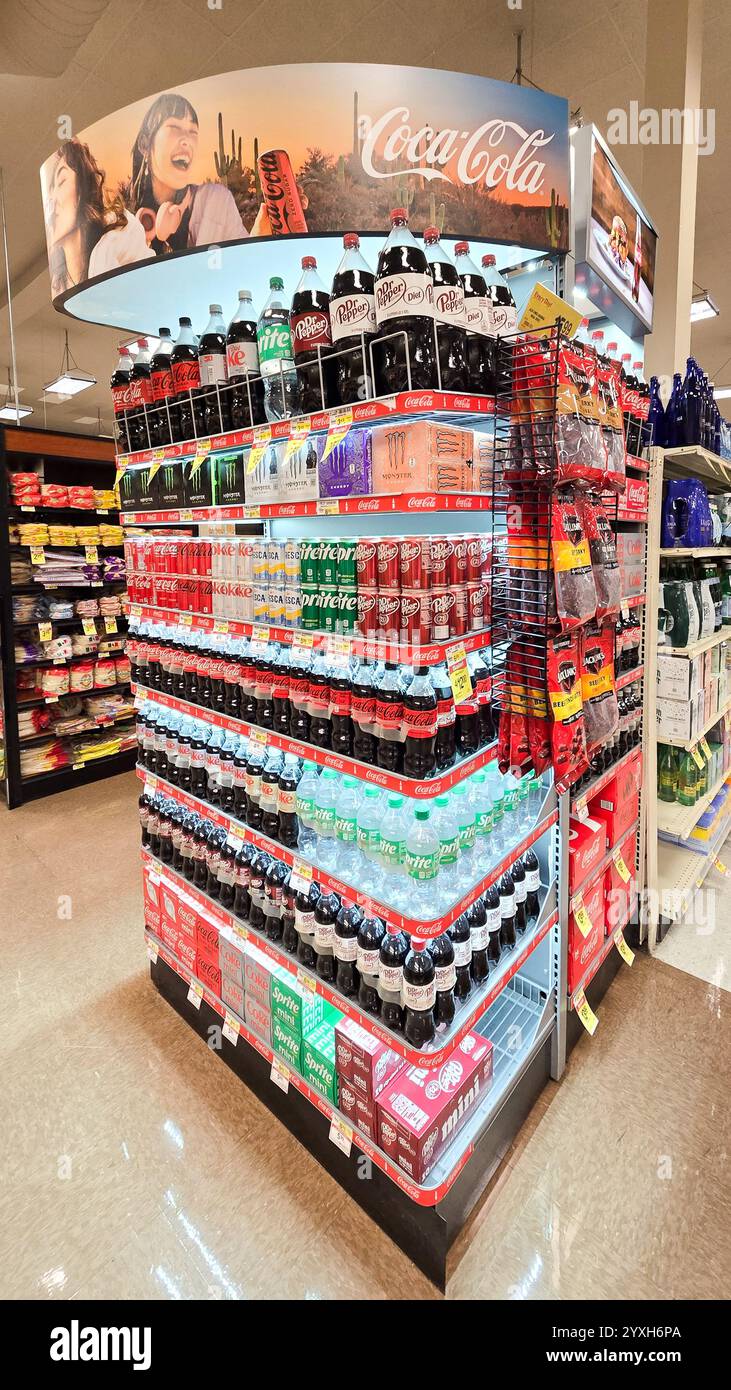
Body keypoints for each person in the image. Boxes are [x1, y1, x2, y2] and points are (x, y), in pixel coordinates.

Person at [127, 91, 266, 252]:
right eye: (175, 127)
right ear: (145, 144)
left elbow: (247, 259)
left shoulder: (216, 200)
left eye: (193, 132)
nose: (187, 140)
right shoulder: (124, 224)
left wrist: (264, 233)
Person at [43, 138, 152, 295]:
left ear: (83, 190)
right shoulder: (58, 285)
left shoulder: (119, 238)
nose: (52, 201)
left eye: (61, 182)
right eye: (50, 191)